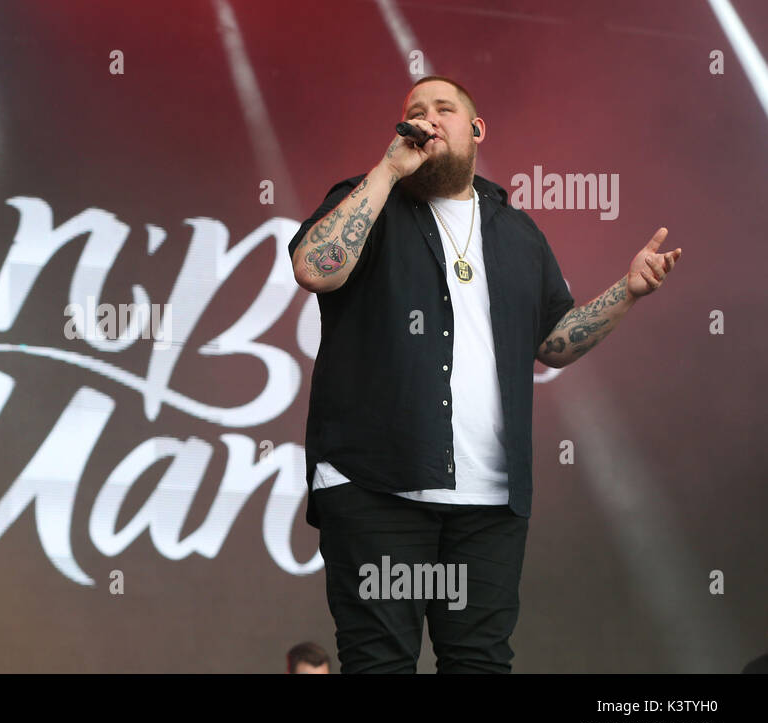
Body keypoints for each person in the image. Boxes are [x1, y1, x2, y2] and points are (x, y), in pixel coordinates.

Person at [289, 76, 681, 673]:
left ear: (476, 131)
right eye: (414, 112)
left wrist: (626, 293)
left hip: (489, 502)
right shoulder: (368, 199)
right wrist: (389, 170)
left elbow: (553, 343)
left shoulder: (516, 232)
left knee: (480, 663)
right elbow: (316, 268)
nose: (428, 118)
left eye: (444, 109)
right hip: (375, 488)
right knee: (379, 663)